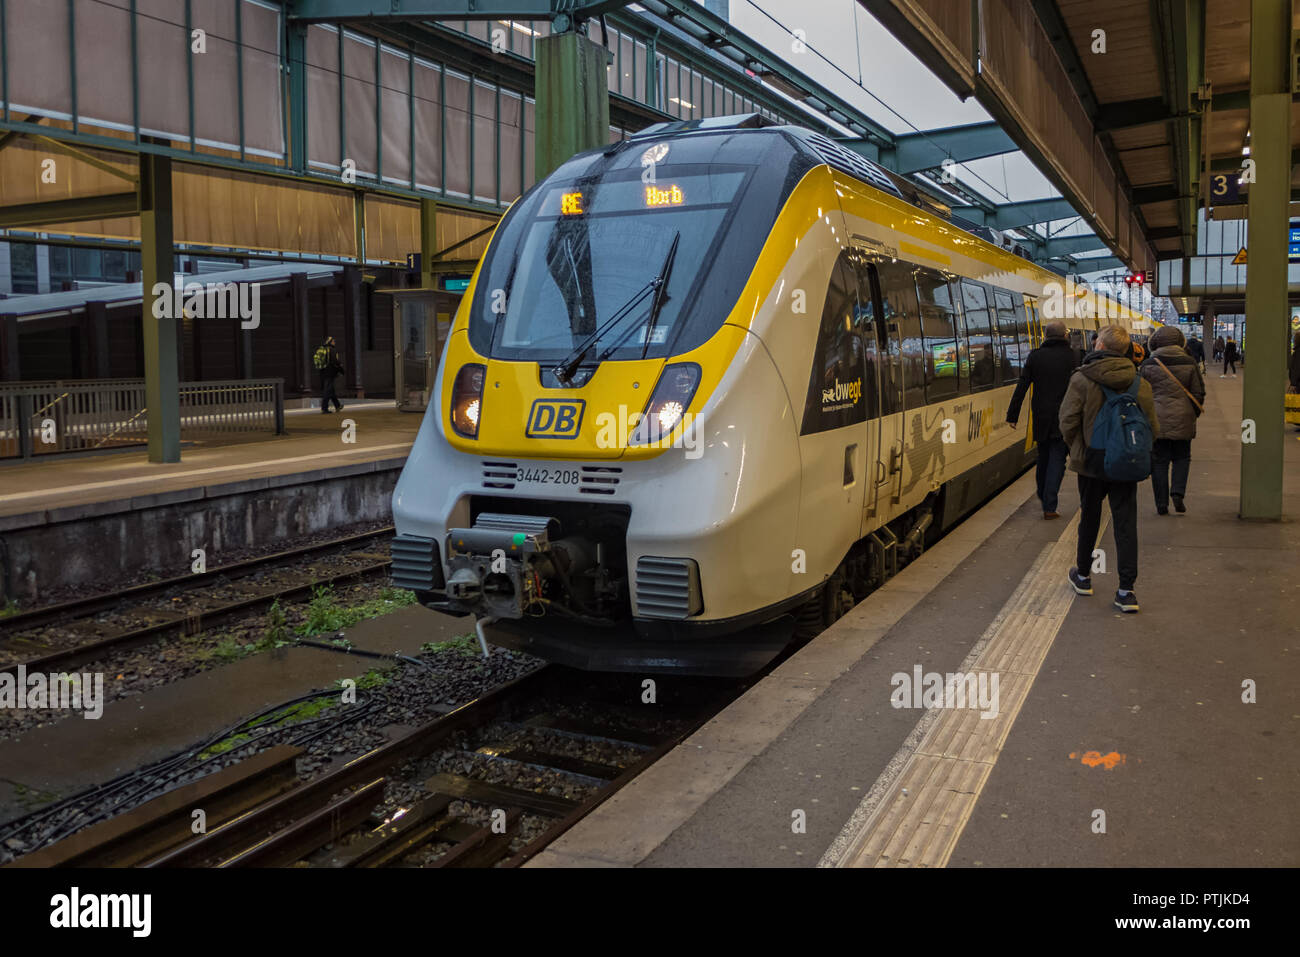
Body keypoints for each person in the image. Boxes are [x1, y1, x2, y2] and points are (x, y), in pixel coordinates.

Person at [1059, 324, 1160, 613]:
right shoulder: (1140, 382)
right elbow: (1152, 426)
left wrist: (1076, 448)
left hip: (1091, 462)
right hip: (1124, 462)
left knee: (1089, 517)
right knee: (1125, 523)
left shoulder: (1081, 379)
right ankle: (1126, 591)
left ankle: (1083, 576)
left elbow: (1067, 421)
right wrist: (1134, 450)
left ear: (1099, 346)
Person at [1007, 320, 1078, 519]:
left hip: (1041, 416)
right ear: (1065, 336)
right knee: (1057, 458)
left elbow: (1022, 386)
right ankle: (1049, 504)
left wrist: (1013, 415)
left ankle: (1042, 493)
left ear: (1045, 336)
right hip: (1064, 416)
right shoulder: (1072, 357)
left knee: (1044, 456)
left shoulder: (1036, 356)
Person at [1140, 327, 1205, 515]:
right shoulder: (1189, 362)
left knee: (1159, 461)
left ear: (1155, 342)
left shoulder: (1148, 364)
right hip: (1183, 416)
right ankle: (1177, 493)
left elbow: (1141, 393)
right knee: (1182, 457)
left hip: (1156, 419)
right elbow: (1198, 392)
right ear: (1180, 341)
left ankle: (1161, 504)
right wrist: (1191, 413)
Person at [314, 335, 345, 413]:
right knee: (327, 390)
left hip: (323, 372)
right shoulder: (332, 350)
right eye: (333, 341)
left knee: (331, 390)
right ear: (330, 342)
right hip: (330, 372)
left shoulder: (323, 349)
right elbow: (335, 362)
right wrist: (341, 370)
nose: (334, 342)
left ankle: (337, 406)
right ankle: (324, 408)